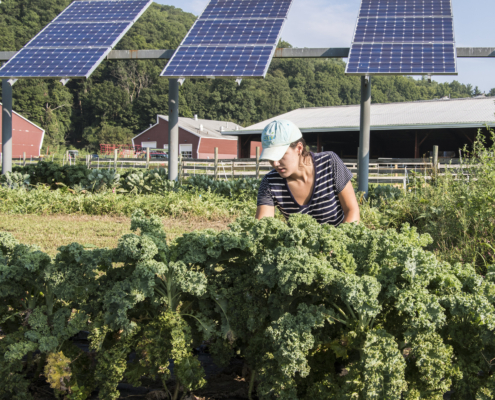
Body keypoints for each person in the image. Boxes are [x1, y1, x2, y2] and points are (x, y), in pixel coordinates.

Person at [256, 120, 360, 226]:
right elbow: (263, 227)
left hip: (339, 239)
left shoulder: (329, 163)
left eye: (281, 156)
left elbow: (352, 211)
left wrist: (339, 240)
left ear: (299, 148)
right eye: (270, 158)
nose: (275, 163)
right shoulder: (270, 182)